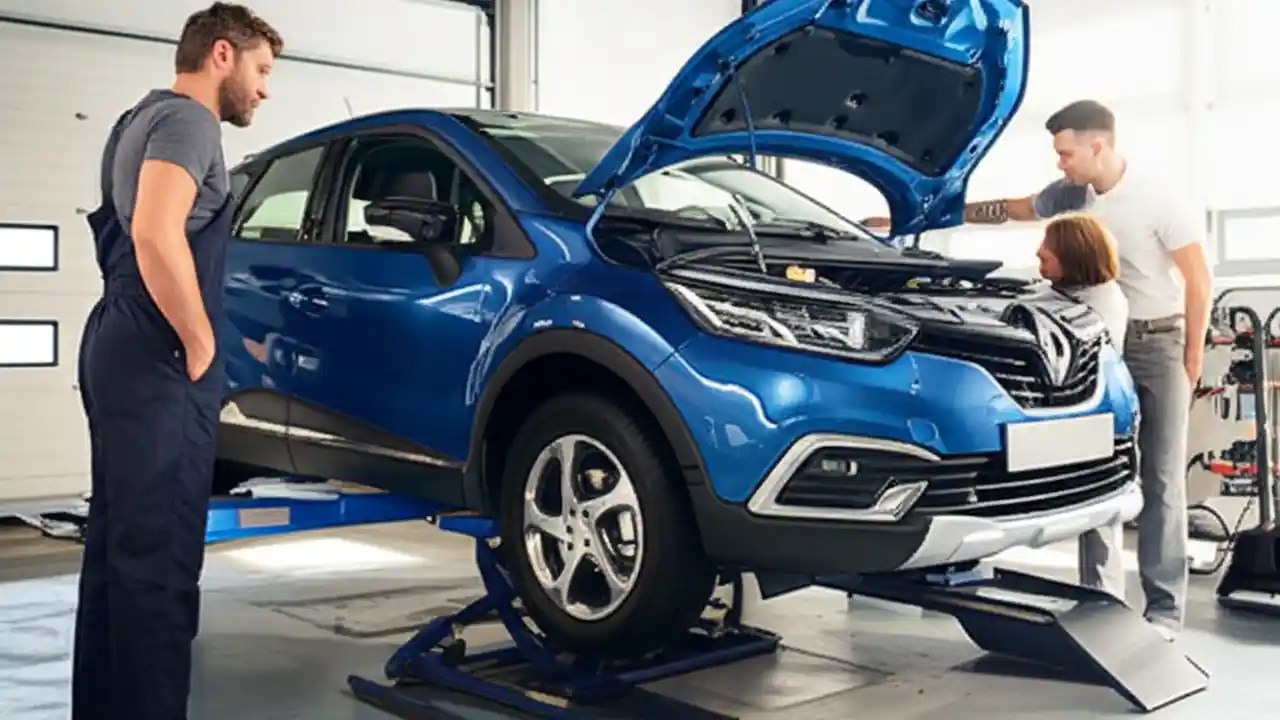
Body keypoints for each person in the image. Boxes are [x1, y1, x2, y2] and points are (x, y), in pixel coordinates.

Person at [867, 100, 1212, 639]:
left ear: (1098, 146)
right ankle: (1102, 597)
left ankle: (1164, 610)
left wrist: (1193, 357)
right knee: (1101, 474)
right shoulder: (1073, 195)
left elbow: (1198, 278)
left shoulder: (1158, 197)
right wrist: (912, 219)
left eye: (1066, 152)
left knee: (1161, 479)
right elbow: (1010, 209)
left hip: (1161, 341)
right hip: (1101, 341)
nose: (1060, 163)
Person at [71, 4, 282, 718]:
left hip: (119, 337)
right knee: (158, 566)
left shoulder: (137, 120)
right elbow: (157, 235)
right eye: (260, 71)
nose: (264, 90)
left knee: (117, 556)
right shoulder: (191, 123)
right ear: (221, 55)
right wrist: (200, 342)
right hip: (156, 348)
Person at [1037, 213, 1129, 599]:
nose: (1039, 253)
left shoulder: (1097, 303)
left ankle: (1105, 598)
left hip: (1092, 415)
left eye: (1048, 250)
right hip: (1076, 416)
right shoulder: (1064, 292)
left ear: (1072, 255)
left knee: (1098, 507)